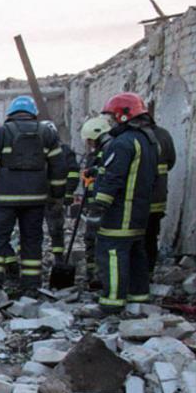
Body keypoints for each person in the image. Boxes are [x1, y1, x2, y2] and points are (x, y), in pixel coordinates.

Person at [0, 95, 66, 298]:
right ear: (33, 113)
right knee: (32, 240)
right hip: (36, 199)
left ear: (11, 113)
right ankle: (31, 286)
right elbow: (59, 168)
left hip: (4, 199)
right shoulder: (47, 133)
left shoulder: (1, 133)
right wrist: (57, 196)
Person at [87, 92, 158, 315]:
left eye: (112, 117)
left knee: (112, 253)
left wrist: (98, 205)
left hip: (120, 212)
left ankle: (112, 302)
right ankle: (139, 297)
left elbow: (113, 178)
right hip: (139, 211)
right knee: (136, 253)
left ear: (123, 116)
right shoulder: (148, 141)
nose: (109, 122)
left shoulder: (123, 143)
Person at [78, 115, 113, 290]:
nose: (89, 144)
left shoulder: (109, 151)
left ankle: (98, 276)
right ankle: (92, 274)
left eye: (90, 140)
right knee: (91, 239)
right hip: (94, 204)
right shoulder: (101, 151)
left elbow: (110, 171)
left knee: (96, 239)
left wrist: (94, 171)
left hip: (101, 205)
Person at [142, 112, 176, 277]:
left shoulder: (137, 137)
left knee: (136, 237)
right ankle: (148, 271)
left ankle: (138, 274)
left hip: (138, 198)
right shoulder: (164, 134)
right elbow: (171, 161)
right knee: (151, 236)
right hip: (158, 196)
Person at [45, 143, 81, 266]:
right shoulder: (35, 148)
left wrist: (68, 192)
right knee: (31, 229)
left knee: (56, 228)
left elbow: (73, 172)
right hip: (40, 194)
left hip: (54, 196)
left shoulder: (63, 151)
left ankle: (59, 259)